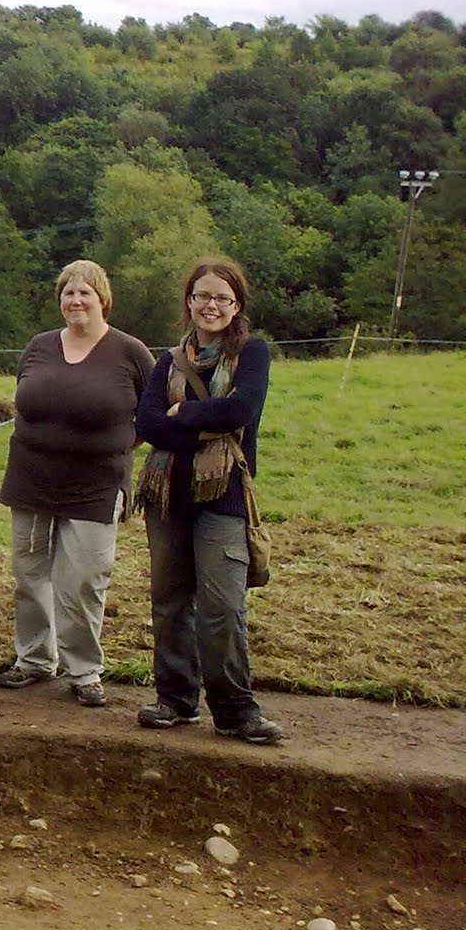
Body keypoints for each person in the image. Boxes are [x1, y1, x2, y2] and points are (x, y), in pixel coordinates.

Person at [133, 256, 283, 745]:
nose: (211, 305)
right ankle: (175, 700)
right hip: (167, 495)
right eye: (202, 296)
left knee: (222, 606)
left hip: (224, 497)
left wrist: (182, 411)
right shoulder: (166, 361)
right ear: (189, 302)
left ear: (236, 304)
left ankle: (236, 710)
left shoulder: (253, 354)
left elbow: (243, 409)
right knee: (171, 601)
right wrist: (201, 424)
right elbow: (147, 424)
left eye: (221, 297)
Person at [0, 260, 154, 707]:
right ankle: (33, 660)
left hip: (96, 485)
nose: (76, 300)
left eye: (85, 292)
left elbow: (153, 412)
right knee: (29, 575)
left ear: (103, 298)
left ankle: (84, 671)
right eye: (68, 293)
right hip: (30, 478)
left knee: (82, 580)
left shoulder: (130, 352)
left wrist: (116, 443)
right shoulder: (39, 346)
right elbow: (25, 397)